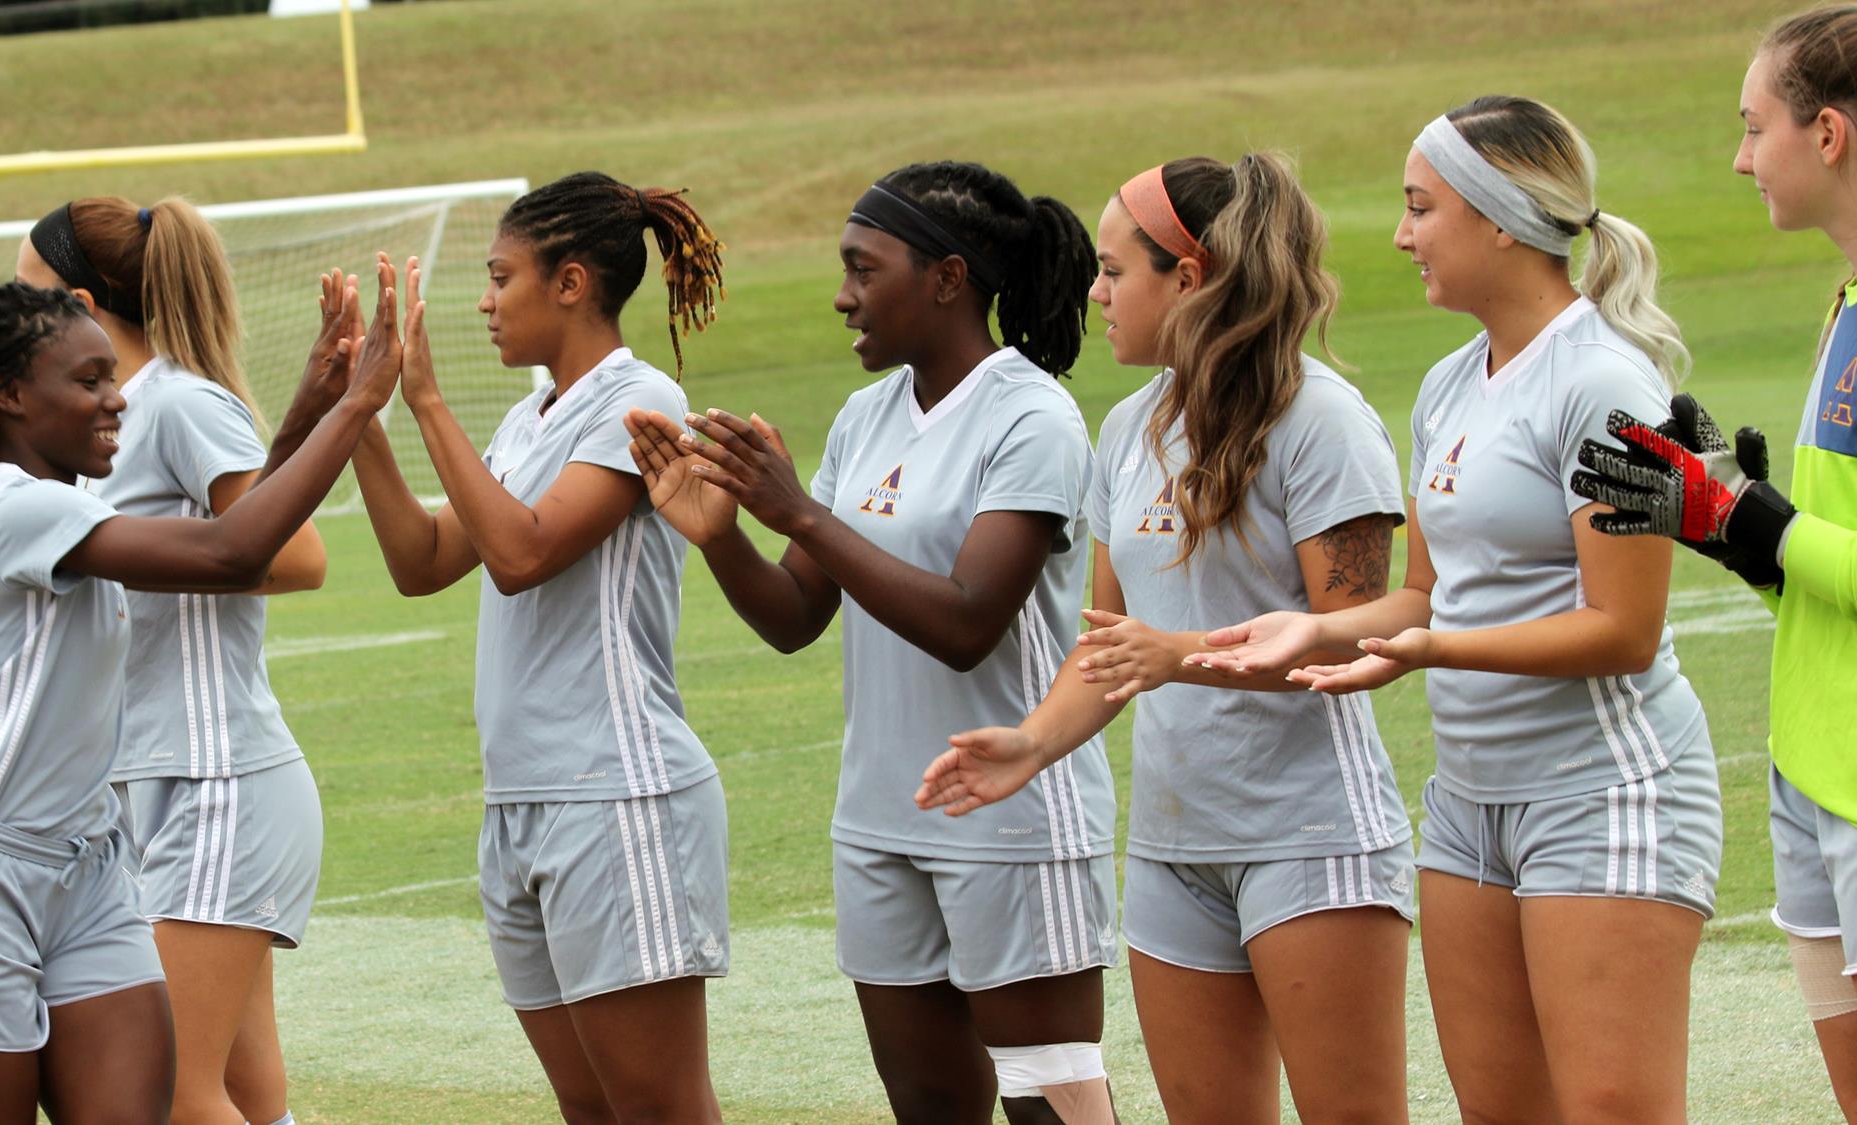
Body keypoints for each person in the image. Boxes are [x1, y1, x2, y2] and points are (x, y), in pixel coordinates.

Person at [1185, 97, 1723, 1120]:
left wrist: (1429, 648)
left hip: (1604, 794)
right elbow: (1421, 596)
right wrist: (1324, 626)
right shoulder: (1443, 387)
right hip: (1470, 807)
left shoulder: (1609, 383)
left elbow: (1623, 632)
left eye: (1418, 207)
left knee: (1613, 1109)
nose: (1399, 235)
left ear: (1496, 219)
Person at [914, 152, 1415, 1123]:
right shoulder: (1127, 428)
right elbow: (1111, 645)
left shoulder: (1321, 421)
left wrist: (1177, 655)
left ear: (1186, 280)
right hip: (1170, 853)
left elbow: (1355, 647)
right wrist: (1029, 742)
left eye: (1112, 270)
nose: (1093, 293)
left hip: (1310, 844)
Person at [626, 161, 1117, 1124]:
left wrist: (802, 513)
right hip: (879, 822)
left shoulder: (1033, 417)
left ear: (948, 277)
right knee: (932, 1104)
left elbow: (969, 623)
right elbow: (795, 618)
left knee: (1048, 1103)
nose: (843, 296)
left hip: (1010, 823)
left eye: (864, 268)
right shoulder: (867, 416)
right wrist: (722, 534)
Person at [0, 278, 396, 1125]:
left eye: (112, 376)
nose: (117, 399)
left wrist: (309, 406)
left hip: (89, 871)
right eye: (87, 382)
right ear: (9, 396)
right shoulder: (16, 510)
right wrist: (359, 404)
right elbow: (232, 550)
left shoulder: (75, 509)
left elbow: (235, 534)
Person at [342, 173, 729, 1124]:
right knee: (591, 1108)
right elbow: (425, 559)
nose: (482, 299)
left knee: (660, 1108)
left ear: (570, 283)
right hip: (521, 804)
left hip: (615, 794)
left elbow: (520, 554)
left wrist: (428, 399)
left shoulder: (640, 397)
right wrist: (355, 415)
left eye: (499, 275)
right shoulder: (531, 417)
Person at [1571, 9, 1857, 1116]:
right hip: (1811, 766)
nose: (1740, 158)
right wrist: (1741, 540)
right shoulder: (1842, 301)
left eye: (1753, 128)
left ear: (1824, 133)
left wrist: (1757, 518)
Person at [14, 195, 341, 1125]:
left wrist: (129, 563)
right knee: (243, 1093)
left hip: (219, 782)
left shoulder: (180, 401)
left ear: (77, 302)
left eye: (22, 292)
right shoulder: (100, 425)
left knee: (162, 1093)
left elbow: (298, 555)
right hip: (145, 789)